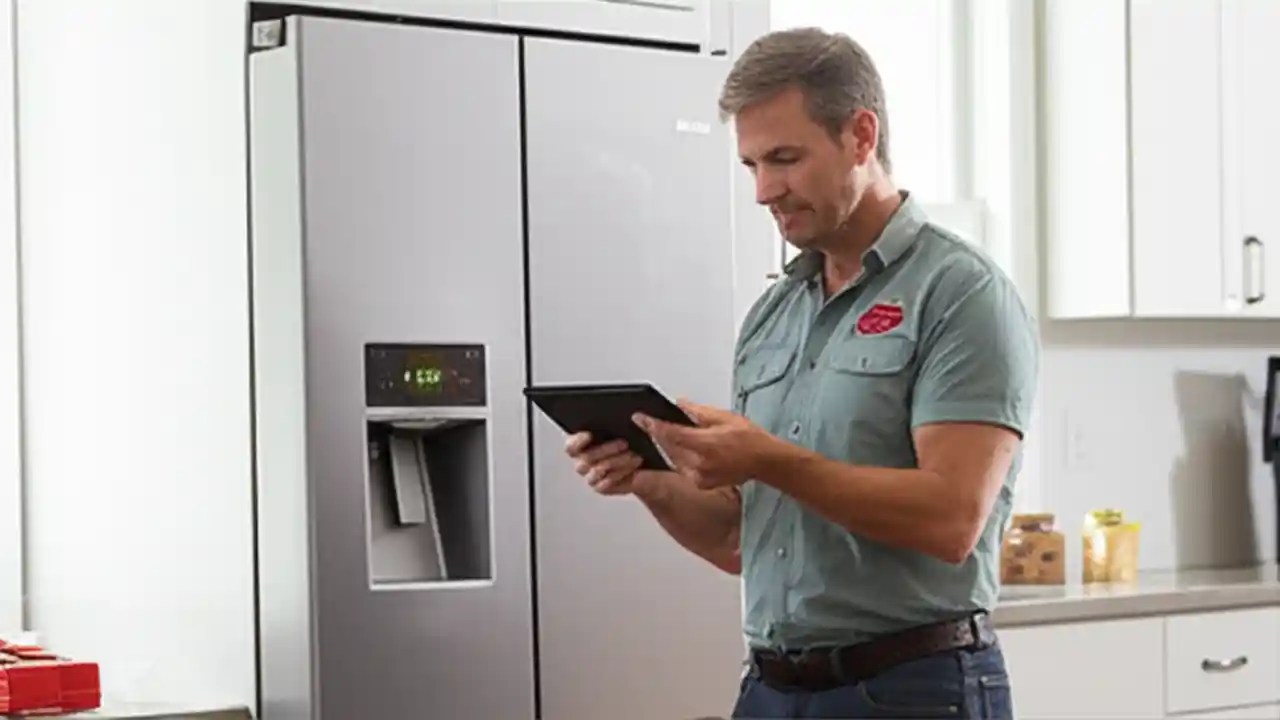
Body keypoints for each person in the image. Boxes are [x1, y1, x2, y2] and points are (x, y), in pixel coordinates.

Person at [563, 26, 1039, 720]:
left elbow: (952, 517)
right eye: (751, 164)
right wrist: (648, 482)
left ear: (861, 136)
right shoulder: (773, 314)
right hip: (770, 690)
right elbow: (739, 539)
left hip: (912, 690)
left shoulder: (962, 294)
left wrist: (769, 459)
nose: (763, 190)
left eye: (784, 159)